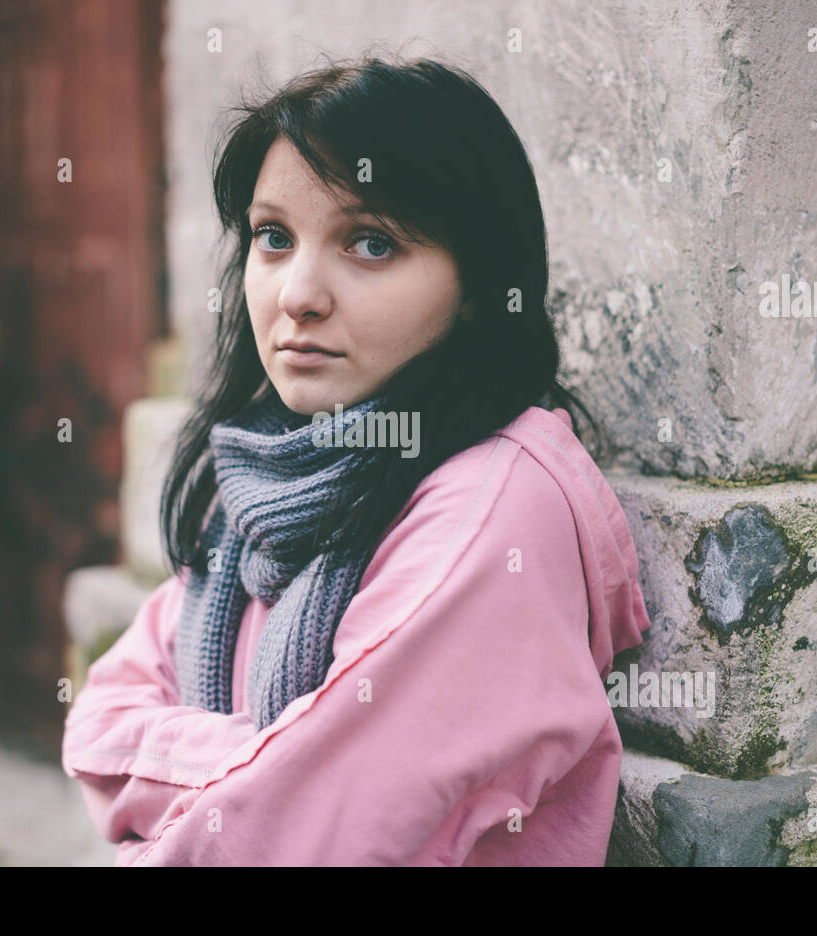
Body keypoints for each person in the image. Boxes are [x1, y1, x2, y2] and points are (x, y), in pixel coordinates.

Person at [61, 54, 651, 866]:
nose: (298, 294)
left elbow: (307, 840)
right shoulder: (259, 482)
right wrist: (274, 757)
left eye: (370, 242)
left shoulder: (494, 511)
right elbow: (98, 727)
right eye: (273, 238)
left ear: (478, 283)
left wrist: (236, 774)